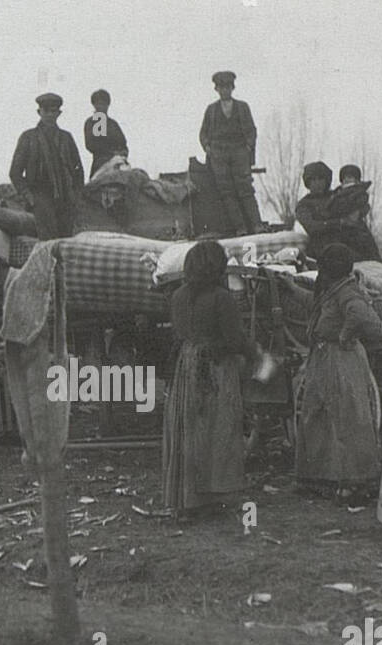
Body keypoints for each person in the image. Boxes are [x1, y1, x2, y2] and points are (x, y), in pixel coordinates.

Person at [163, 239, 260, 517]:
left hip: (186, 364)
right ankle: (210, 493)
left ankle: (188, 497)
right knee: (217, 428)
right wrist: (256, 356)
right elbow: (234, 340)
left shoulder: (178, 295)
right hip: (214, 367)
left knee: (188, 427)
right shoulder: (222, 298)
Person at [293, 243, 382, 503]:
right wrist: (289, 287)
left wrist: (346, 334)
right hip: (324, 359)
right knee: (317, 415)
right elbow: (313, 303)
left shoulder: (347, 291)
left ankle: (354, 482)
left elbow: (363, 318)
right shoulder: (334, 289)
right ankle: (323, 477)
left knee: (348, 418)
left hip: (341, 359)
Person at [10, 92, 85, 239]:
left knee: (64, 242)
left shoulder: (66, 138)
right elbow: (15, 173)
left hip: (65, 200)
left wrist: (75, 198)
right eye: (46, 111)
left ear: (59, 113)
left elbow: (78, 171)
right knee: (47, 241)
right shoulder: (28, 137)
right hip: (40, 197)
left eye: (54, 111)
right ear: (39, 112)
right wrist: (30, 197)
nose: (50, 115)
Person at [199, 71, 263, 236]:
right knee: (226, 192)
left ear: (232, 88)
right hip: (219, 154)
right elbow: (203, 132)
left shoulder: (242, 107)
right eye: (221, 87)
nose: (224, 91)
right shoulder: (211, 110)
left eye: (227, 87)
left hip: (239, 151)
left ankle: (256, 225)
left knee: (245, 189)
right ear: (217, 89)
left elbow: (251, 129)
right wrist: (208, 147)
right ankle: (240, 228)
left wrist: (248, 147)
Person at [323, 165, 382, 261]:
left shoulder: (359, 193)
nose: (347, 180)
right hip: (339, 230)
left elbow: (353, 209)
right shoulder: (335, 195)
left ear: (356, 180)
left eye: (350, 177)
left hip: (355, 231)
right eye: (344, 178)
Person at [83, 89, 129, 178]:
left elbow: (123, 143)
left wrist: (122, 153)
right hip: (101, 163)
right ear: (94, 105)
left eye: (103, 104)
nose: (101, 107)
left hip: (119, 163)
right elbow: (92, 145)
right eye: (98, 104)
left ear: (108, 105)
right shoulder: (93, 122)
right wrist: (111, 152)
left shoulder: (113, 124)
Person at [294, 161, 335, 258]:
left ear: (326, 181)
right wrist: (338, 223)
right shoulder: (304, 204)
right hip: (320, 247)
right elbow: (312, 227)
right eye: (313, 180)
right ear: (308, 183)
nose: (317, 183)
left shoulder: (336, 197)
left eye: (321, 179)